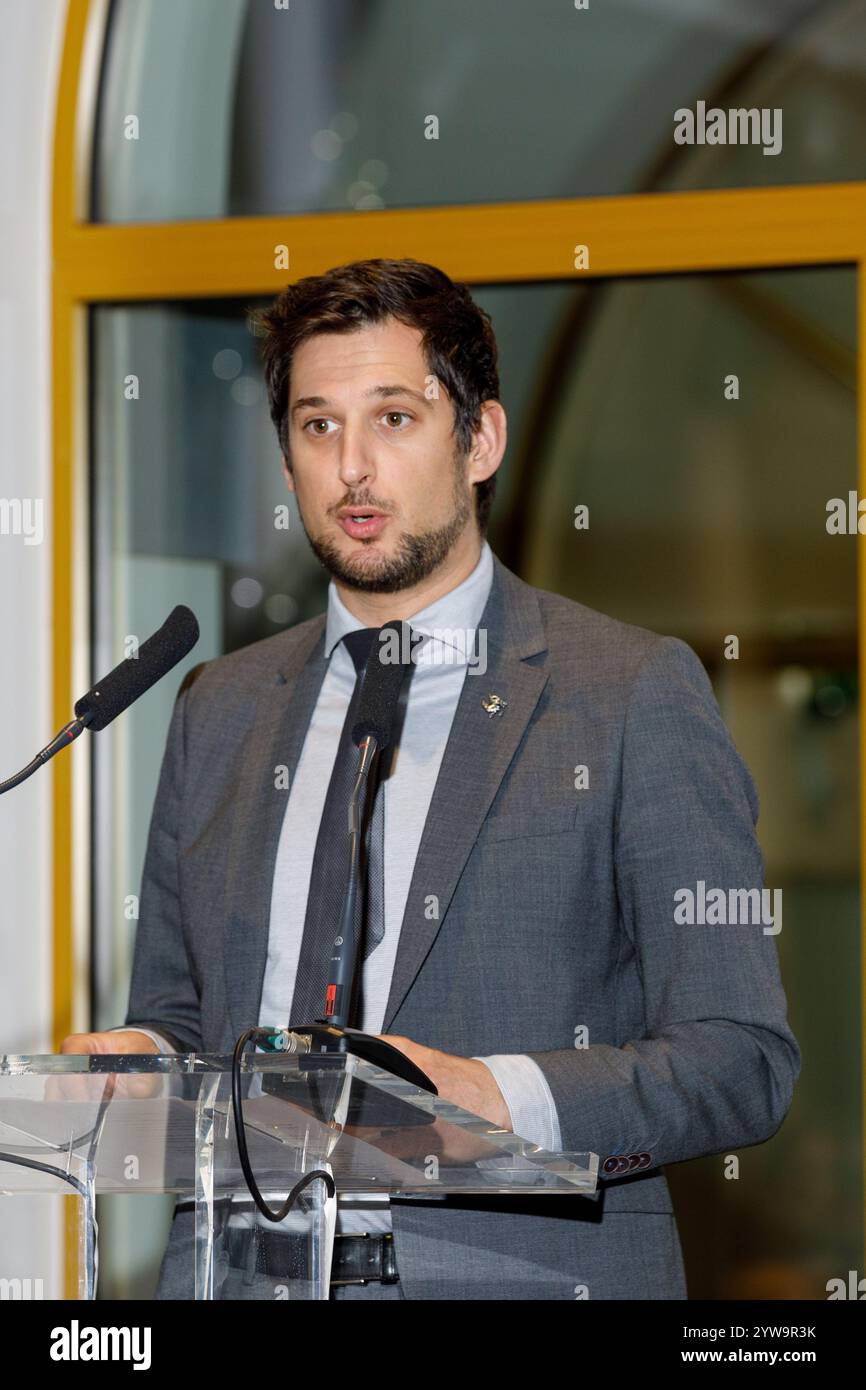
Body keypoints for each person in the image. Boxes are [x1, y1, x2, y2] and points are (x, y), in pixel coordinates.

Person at [62, 257, 800, 1300]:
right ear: (286, 460)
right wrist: (136, 1063)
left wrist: (488, 1093)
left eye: (394, 419)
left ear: (479, 439)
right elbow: (184, 1025)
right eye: (318, 427)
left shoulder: (626, 692)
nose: (353, 467)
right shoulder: (218, 708)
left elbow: (739, 1060)